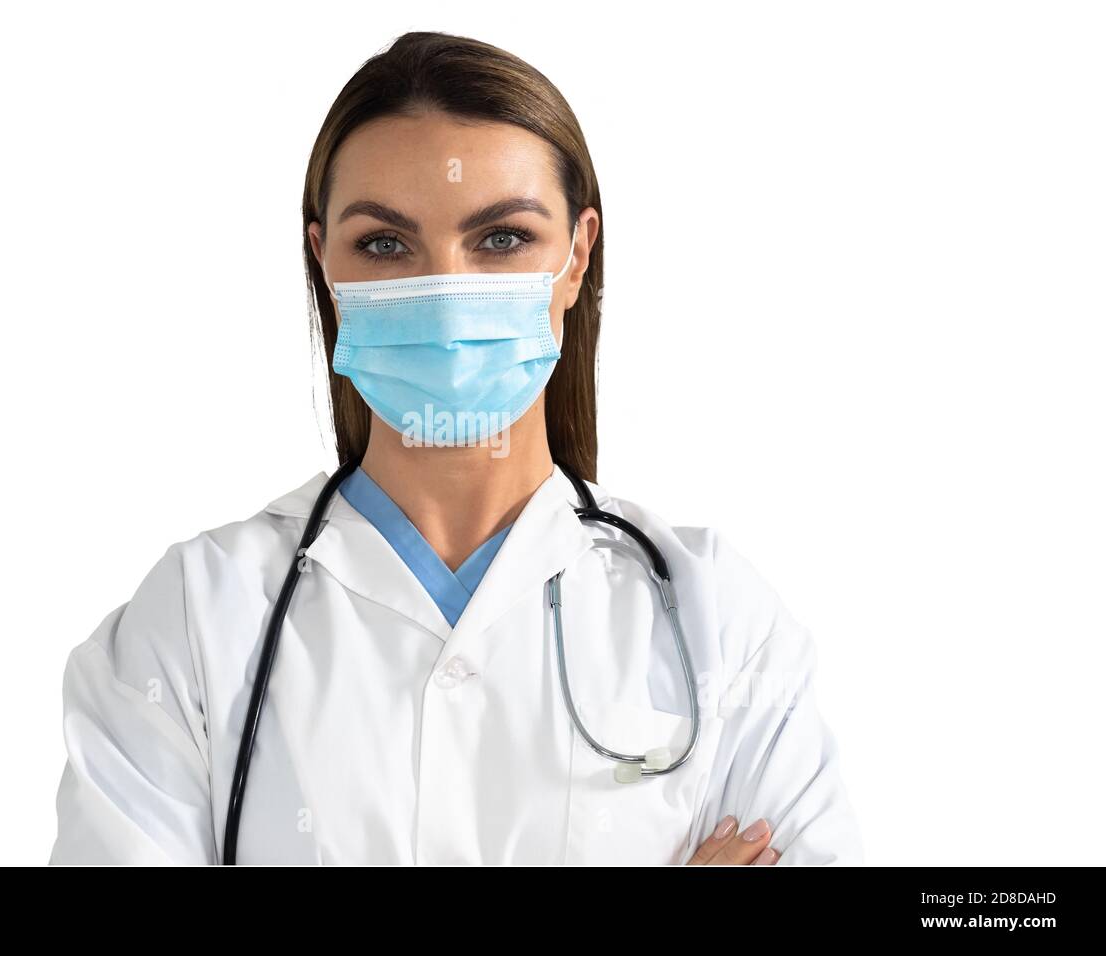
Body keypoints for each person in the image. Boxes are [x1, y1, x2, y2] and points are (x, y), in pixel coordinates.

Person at [48, 31, 864, 866]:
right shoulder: (192, 626)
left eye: (502, 238)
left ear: (577, 255)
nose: (445, 295)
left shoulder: (717, 621)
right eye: (385, 245)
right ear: (322, 258)